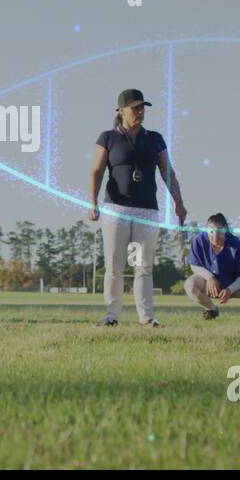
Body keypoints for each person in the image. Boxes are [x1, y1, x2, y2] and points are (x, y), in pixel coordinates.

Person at [89, 89, 187, 327]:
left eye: (143, 107)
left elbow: (167, 172)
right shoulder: (107, 138)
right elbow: (96, 171)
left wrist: (179, 203)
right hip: (116, 210)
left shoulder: (155, 139)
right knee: (115, 264)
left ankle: (147, 317)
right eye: (135, 108)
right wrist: (92, 202)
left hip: (147, 211)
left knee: (143, 266)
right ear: (121, 110)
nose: (140, 112)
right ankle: (112, 315)